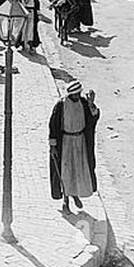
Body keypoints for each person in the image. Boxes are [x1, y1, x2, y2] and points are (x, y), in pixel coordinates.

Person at [48, 81, 99, 214]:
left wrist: (91, 104)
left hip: (80, 142)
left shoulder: (83, 103)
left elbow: (93, 117)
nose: (77, 96)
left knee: (79, 170)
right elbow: (53, 126)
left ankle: (75, 194)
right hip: (66, 143)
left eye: (78, 93)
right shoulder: (61, 105)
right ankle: (66, 199)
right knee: (66, 171)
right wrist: (53, 146)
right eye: (75, 94)